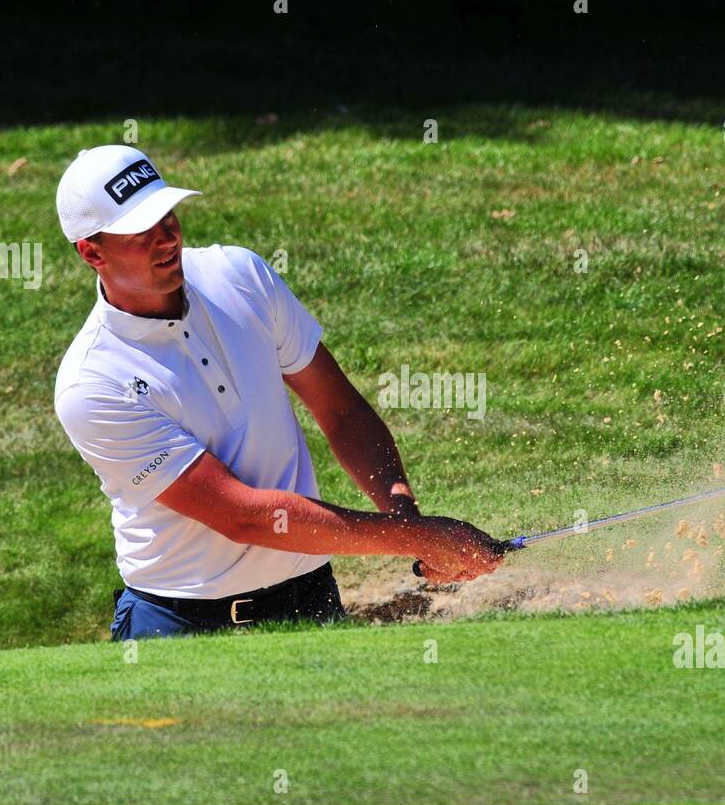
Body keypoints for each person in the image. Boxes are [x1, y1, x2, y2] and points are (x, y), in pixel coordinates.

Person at [52, 146, 504, 639]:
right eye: (141, 232)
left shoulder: (239, 275)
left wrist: (407, 521)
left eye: (169, 216)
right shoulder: (93, 384)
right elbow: (245, 517)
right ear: (92, 252)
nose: (168, 238)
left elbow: (341, 410)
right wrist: (417, 537)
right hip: (181, 626)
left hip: (310, 598)